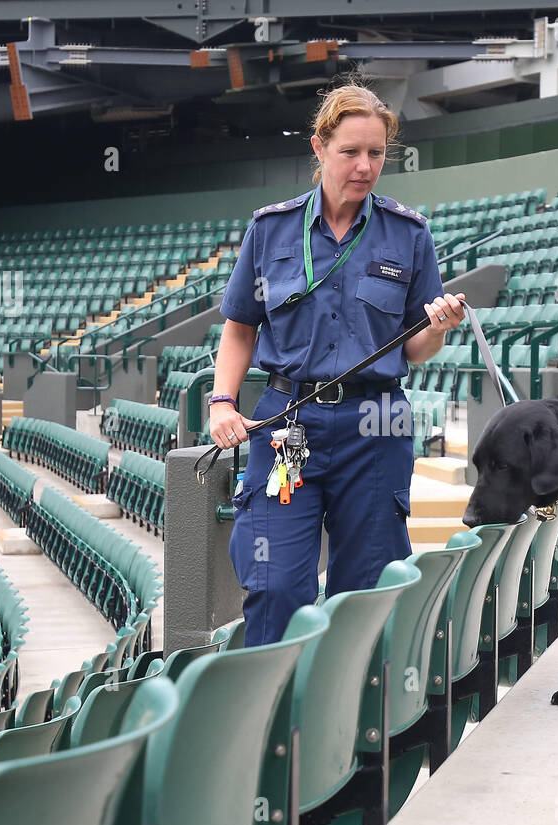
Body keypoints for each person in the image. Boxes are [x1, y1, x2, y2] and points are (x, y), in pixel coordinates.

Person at [209, 82, 467, 647]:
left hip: (376, 426)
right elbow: (240, 327)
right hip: (286, 422)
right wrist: (223, 401)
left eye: (376, 153)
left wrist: (438, 330)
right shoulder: (270, 228)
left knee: (366, 592)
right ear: (319, 147)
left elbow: (413, 349)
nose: (365, 165)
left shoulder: (409, 234)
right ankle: (270, 722)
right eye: (351, 151)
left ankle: (351, 726)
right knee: (275, 583)